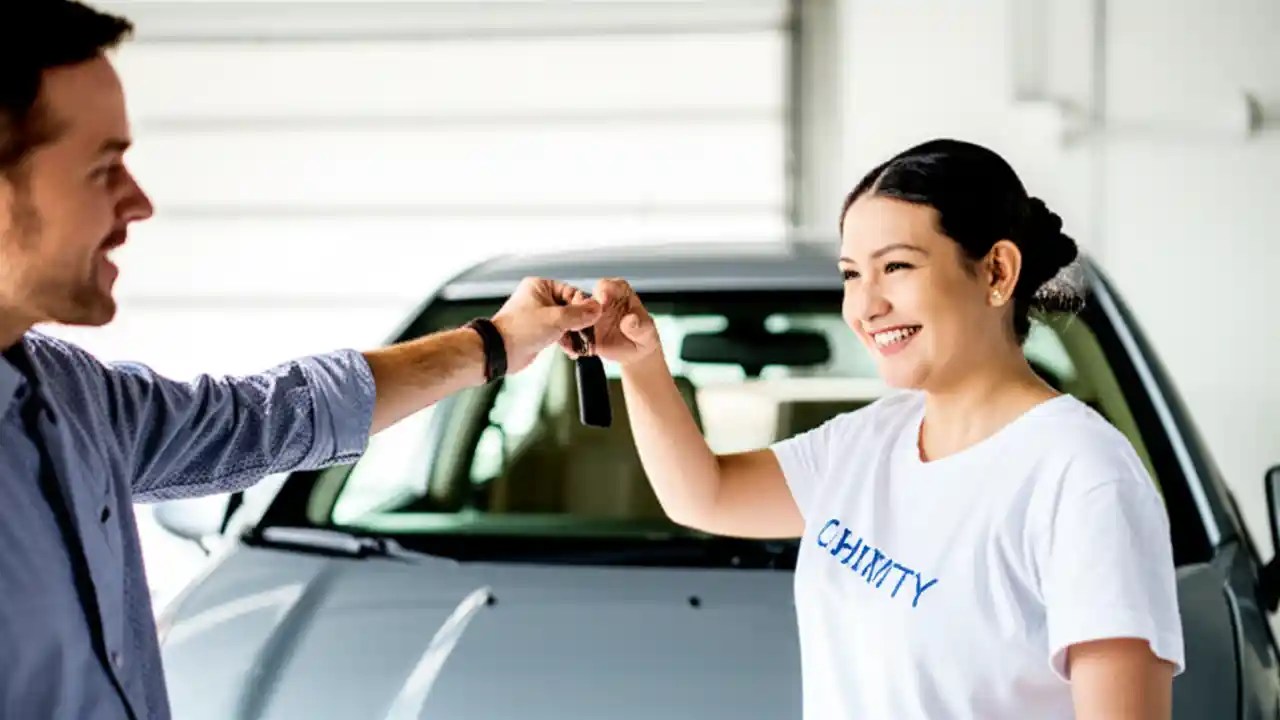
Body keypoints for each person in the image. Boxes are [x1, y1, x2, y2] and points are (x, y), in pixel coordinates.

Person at [0, 2, 601, 718]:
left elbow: (266, 417)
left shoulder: (74, 397)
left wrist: (498, 342)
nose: (141, 202)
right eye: (105, 169)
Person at [576, 139, 1183, 719]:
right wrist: (641, 361)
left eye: (895, 266)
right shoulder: (873, 438)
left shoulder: (1082, 476)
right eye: (850, 274)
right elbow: (704, 495)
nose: (865, 306)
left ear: (997, 271)